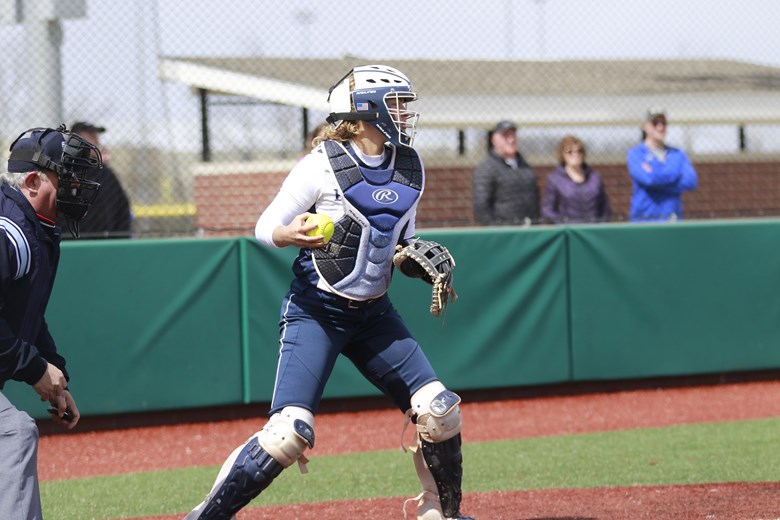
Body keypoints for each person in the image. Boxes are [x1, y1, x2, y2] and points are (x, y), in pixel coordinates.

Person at [184, 65, 474, 520]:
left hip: (374, 314)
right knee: (288, 433)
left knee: (438, 411)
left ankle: (442, 513)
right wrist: (287, 233)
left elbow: (401, 239)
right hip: (316, 311)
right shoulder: (322, 162)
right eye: (395, 103)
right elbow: (265, 225)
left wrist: (410, 258)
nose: (403, 113)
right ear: (364, 112)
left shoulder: (409, 166)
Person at [1, 125, 102, 519]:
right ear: (31, 180)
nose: (77, 185)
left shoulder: (33, 227)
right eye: (67, 176)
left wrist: (51, 370)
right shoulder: (10, 232)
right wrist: (34, 368)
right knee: (14, 435)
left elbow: (24, 312)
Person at [58, 122, 132, 239]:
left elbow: (122, 210)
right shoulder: (63, 171)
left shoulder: (105, 174)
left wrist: (120, 242)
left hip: (106, 243)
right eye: (92, 137)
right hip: (69, 241)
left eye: (96, 138)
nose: (97, 142)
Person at [626, 109, 698, 222]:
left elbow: (690, 182)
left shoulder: (678, 154)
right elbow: (649, 180)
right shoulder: (636, 154)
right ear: (645, 126)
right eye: (655, 123)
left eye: (663, 123)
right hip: (644, 220)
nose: (660, 127)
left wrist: (657, 176)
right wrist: (674, 175)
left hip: (672, 218)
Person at [472, 120, 539, 226]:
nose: (511, 140)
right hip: (505, 233)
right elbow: (481, 206)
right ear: (494, 140)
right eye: (506, 136)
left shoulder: (525, 166)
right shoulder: (486, 168)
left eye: (513, 135)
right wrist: (496, 231)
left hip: (529, 230)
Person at [541, 135, 611, 223]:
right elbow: (548, 210)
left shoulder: (595, 178)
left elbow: (605, 208)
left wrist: (601, 224)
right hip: (569, 232)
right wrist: (564, 225)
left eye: (579, 151)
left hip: (593, 230)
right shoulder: (555, 179)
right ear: (562, 154)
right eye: (570, 151)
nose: (575, 154)